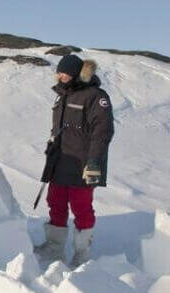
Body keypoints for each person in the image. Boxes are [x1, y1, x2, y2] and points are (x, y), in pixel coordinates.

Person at [39, 54, 114, 264]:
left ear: (75, 73)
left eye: (64, 72)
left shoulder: (95, 96)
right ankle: (54, 247)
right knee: (55, 202)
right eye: (59, 71)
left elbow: (103, 132)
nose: (59, 75)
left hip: (82, 163)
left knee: (81, 207)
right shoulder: (62, 95)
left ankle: (82, 253)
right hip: (60, 160)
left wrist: (94, 163)